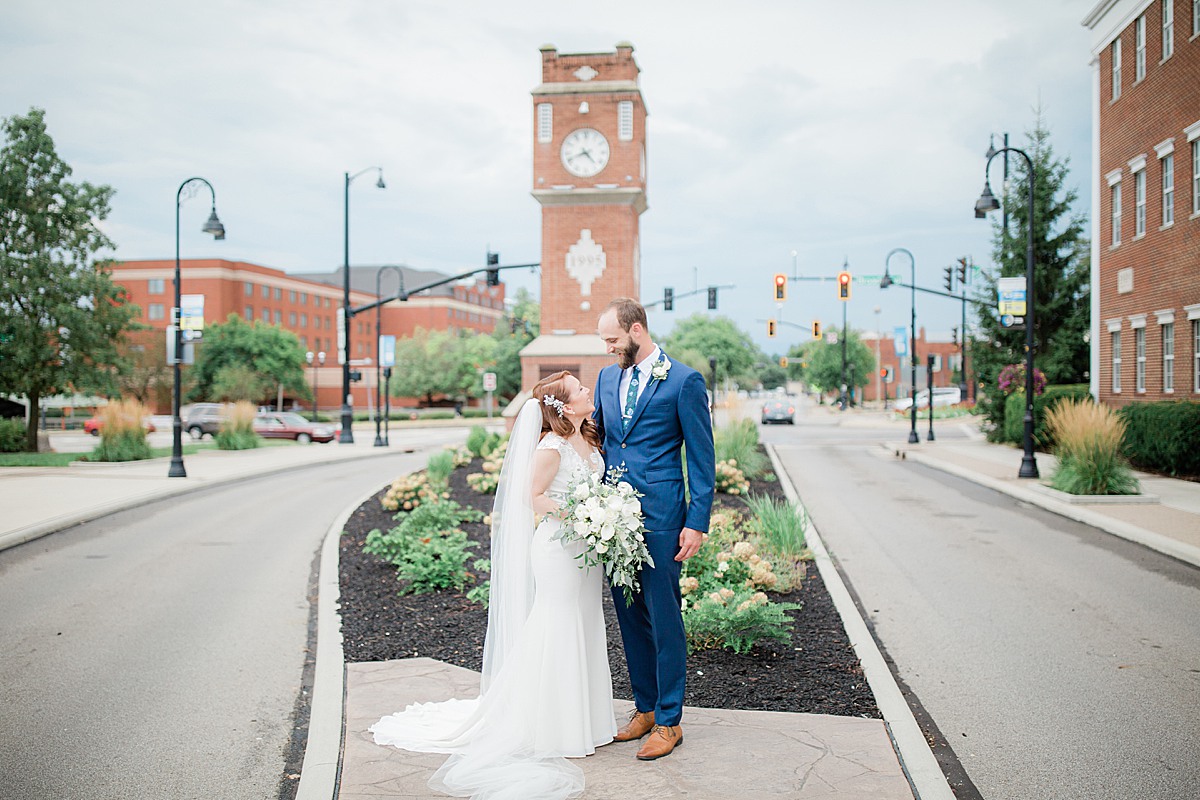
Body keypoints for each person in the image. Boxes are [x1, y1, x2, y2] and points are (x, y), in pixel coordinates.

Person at [370, 371, 615, 800]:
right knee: (557, 625)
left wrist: (602, 515)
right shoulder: (550, 448)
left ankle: (588, 720)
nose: (587, 390)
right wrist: (581, 514)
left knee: (585, 621)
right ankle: (553, 725)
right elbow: (532, 498)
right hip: (558, 549)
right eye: (579, 388)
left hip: (587, 551)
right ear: (561, 405)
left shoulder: (590, 440)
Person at [593, 297, 715, 761]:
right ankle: (643, 708)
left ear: (637, 330)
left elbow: (702, 459)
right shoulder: (607, 377)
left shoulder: (684, 381)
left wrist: (696, 522)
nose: (608, 349)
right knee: (629, 618)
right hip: (612, 520)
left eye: (612, 340)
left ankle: (668, 721)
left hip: (663, 518)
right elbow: (600, 437)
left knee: (664, 619)